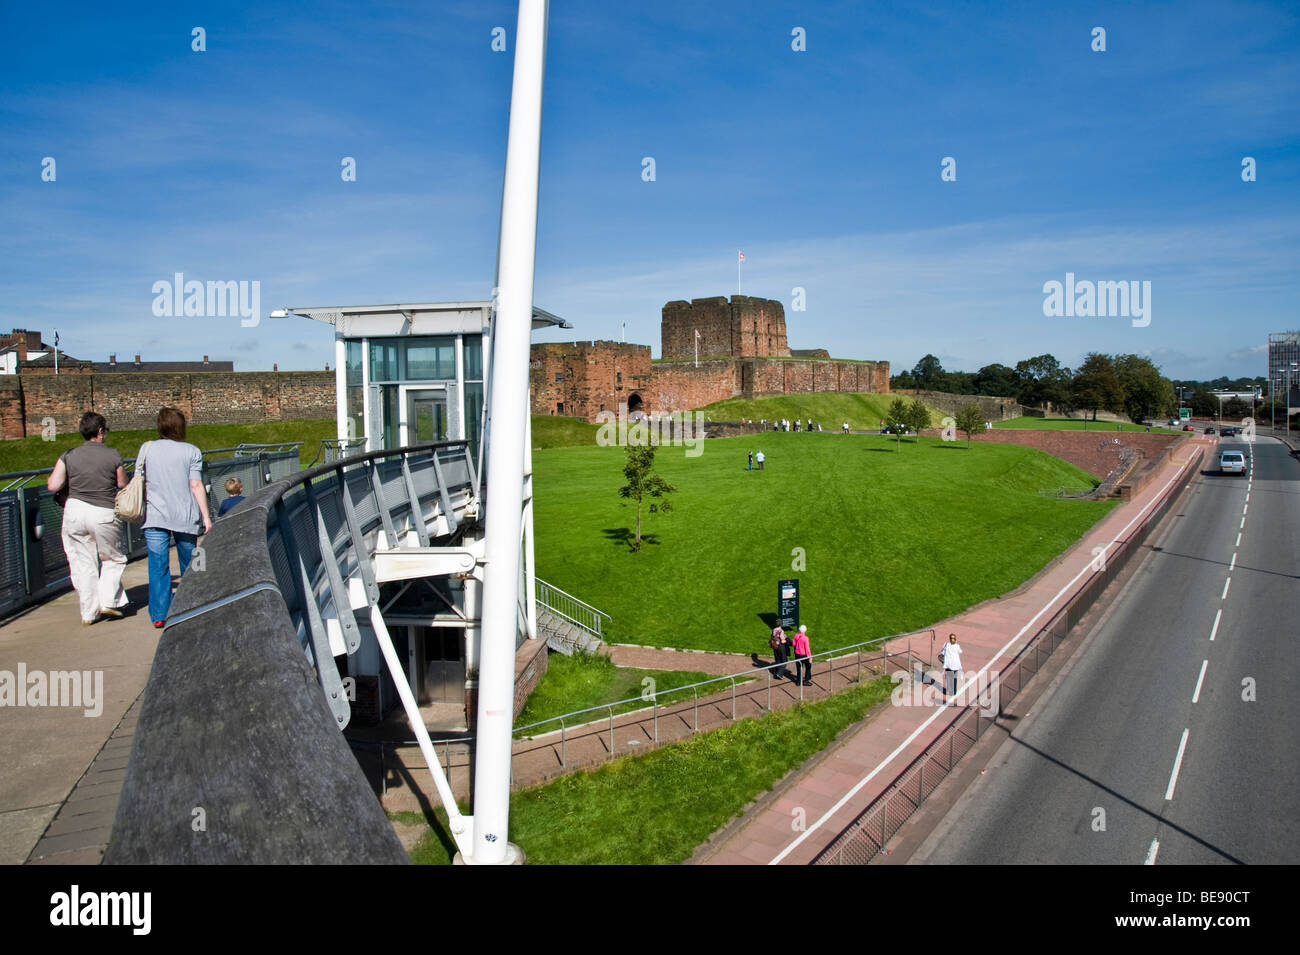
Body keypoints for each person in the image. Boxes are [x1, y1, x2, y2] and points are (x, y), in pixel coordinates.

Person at [47, 412, 129, 626]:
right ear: (100, 431)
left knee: (83, 564)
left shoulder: (68, 455)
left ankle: (89, 613)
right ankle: (108, 600)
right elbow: (122, 484)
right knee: (113, 559)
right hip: (103, 511)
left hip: (74, 511)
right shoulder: (113, 455)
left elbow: (53, 485)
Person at [143, 407, 213, 628]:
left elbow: (140, 480)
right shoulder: (191, 451)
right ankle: (191, 606)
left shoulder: (147, 448)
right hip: (185, 515)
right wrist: (206, 517)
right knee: (191, 563)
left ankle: (160, 615)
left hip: (155, 516)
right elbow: (195, 485)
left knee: (157, 565)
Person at [939, 632, 963, 704]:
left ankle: (949, 690)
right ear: (955, 639)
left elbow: (942, 653)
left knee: (949, 677)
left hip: (948, 664)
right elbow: (960, 652)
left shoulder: (946, 645)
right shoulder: (957, 646)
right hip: (955, 664)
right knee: (954, 678)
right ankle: (954, 691)